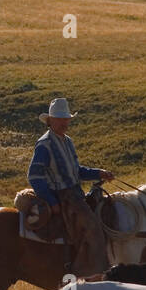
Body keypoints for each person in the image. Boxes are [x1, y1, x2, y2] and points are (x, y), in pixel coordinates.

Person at [27, 97, 115, 277]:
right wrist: (51, 201)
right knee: (93, 227)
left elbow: (76, 171)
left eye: (66, 119)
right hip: (64, 197)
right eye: (59, 119)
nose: (64, 122)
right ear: (50, 121)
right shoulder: (44, 145)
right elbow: (34, 176)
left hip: (75, 193)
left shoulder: (68, 141)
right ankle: (90, 274)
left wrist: (98, 173)